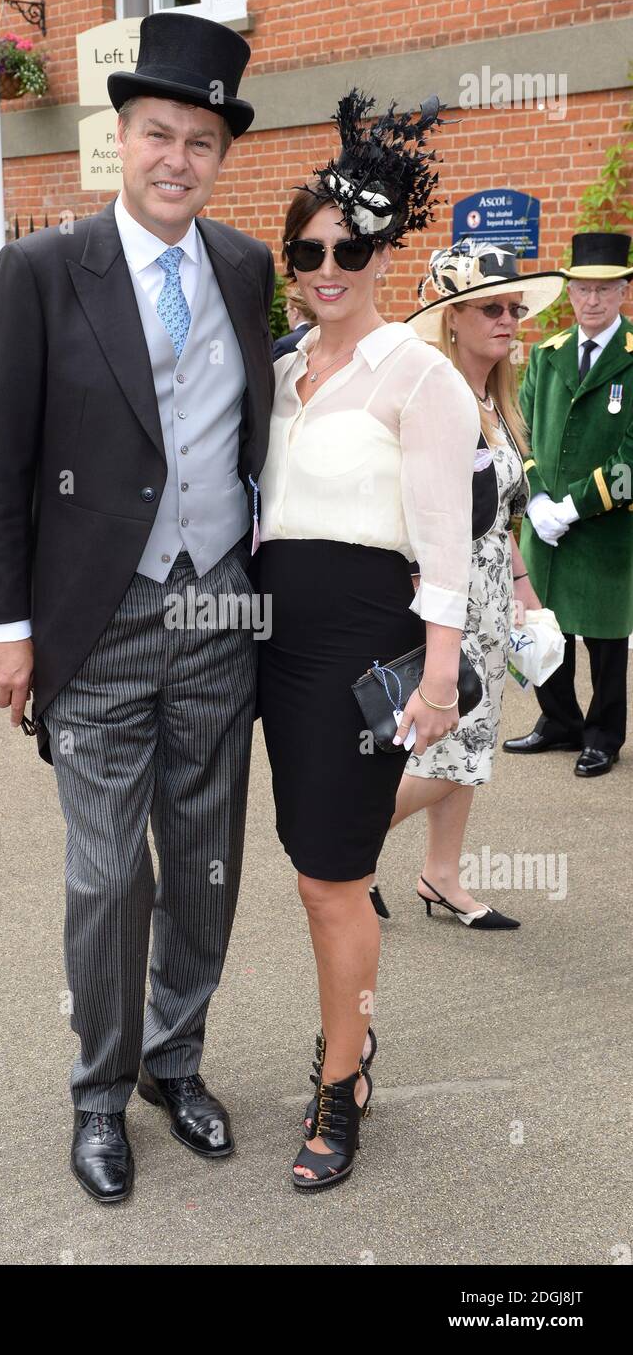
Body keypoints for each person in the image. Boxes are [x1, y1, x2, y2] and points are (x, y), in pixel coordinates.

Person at [0, 12, 275, 1205]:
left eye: (202, 140)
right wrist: (5, 628)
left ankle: (174, 1062)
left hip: (220, 611)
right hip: (96, 618)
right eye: (160, 133)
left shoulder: (246, 269)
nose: (178, 158)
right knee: (109, 875)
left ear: (220, 155)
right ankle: (99, 1096)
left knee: (203, 859)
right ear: (121, 136)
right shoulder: (43, 273)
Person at [255, 89, 480, 1189]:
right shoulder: (285, 369)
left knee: (331, 877)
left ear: (385, 251)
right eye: (308, 249)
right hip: (270, 643)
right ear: (290, 259)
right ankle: (350, 1048)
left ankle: (341, 1086)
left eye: (350, 247)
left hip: (360, 647)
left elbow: (447, 543)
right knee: (311, 864)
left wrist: (438, 680)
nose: (328, 265)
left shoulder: (420, 373)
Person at [366, 240, 564, 931]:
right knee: (455, 753)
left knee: (465, 745)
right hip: (440, 600)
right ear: (452, 318)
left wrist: (528, 601)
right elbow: (411, 513)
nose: (508, 319)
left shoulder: (497, 400)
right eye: (491, 308)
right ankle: (347, 850)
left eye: (514, 308)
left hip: (487, 600)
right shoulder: (436, 396)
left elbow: (502, 521)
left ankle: (439, 876)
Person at [503, 231, 633, 776]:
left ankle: (603, 734)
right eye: (582, 288)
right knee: (546, 626)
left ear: (625, 291)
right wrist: (533, 501)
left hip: (605, 531)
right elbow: (520, 429)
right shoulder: (547, 355)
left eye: (605, 289)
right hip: (545, 525)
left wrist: (573, 507)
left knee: (604, 639)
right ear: (570, 292)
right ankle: (559, 721)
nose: (593, 300)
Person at [272, 289, 315, 359]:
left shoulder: (283, 344)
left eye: (287, 310)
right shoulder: (325, 337)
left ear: (295, 312)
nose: (286, 315)